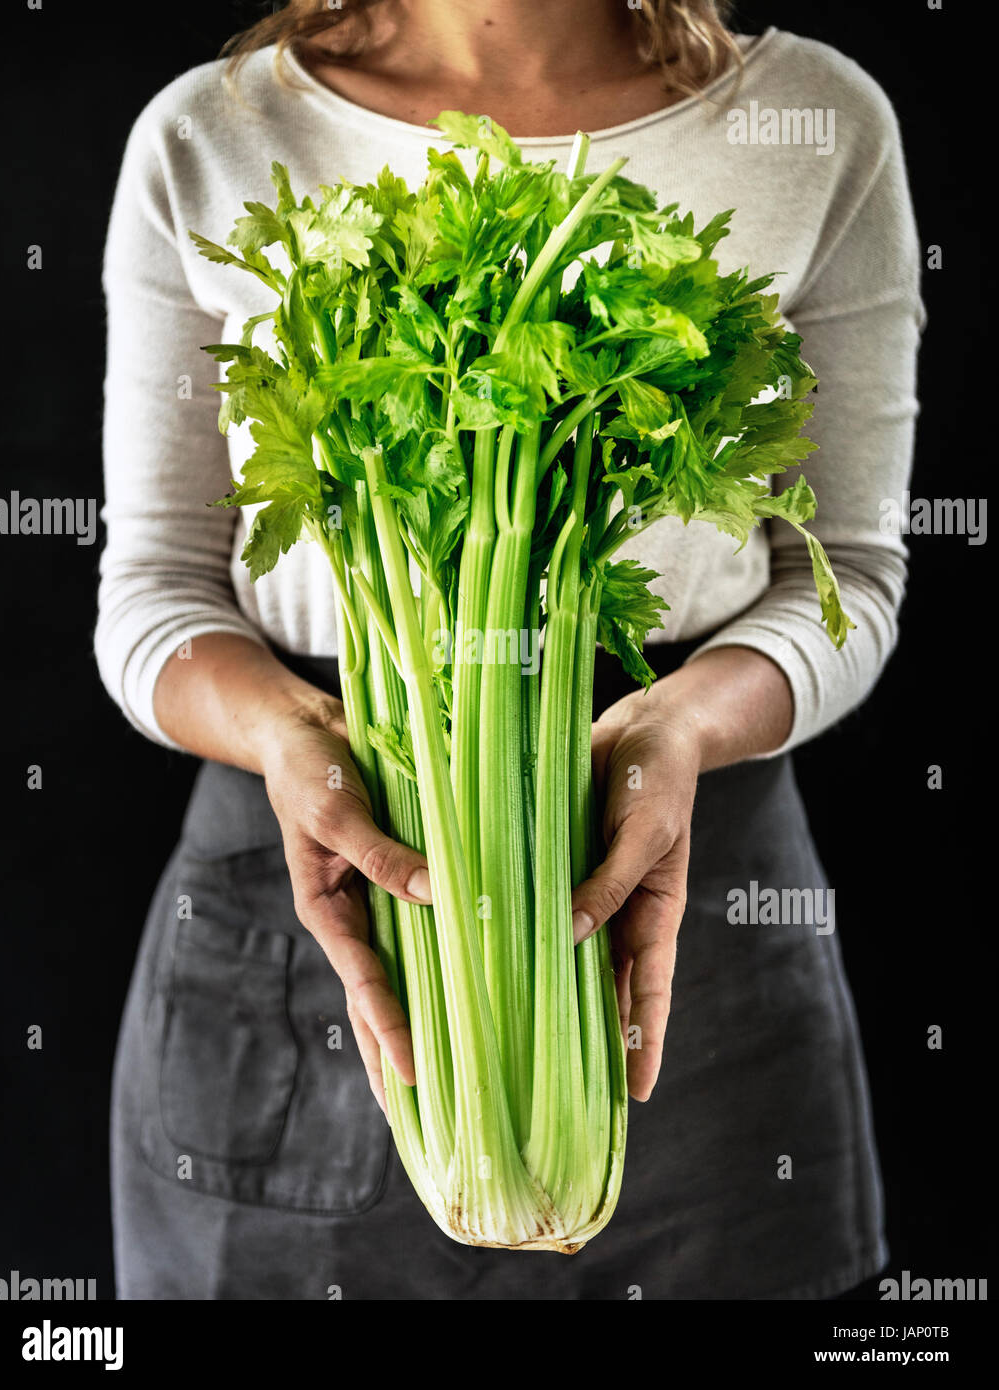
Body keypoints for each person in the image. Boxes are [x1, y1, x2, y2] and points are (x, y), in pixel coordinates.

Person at [96, 0, 923, 1299]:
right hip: (316, 886)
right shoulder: (213, 135)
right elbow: (152, 595)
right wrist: (277, 728)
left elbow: (854, 581)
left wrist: (686, 723)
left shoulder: (816, 126)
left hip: (698, 893)